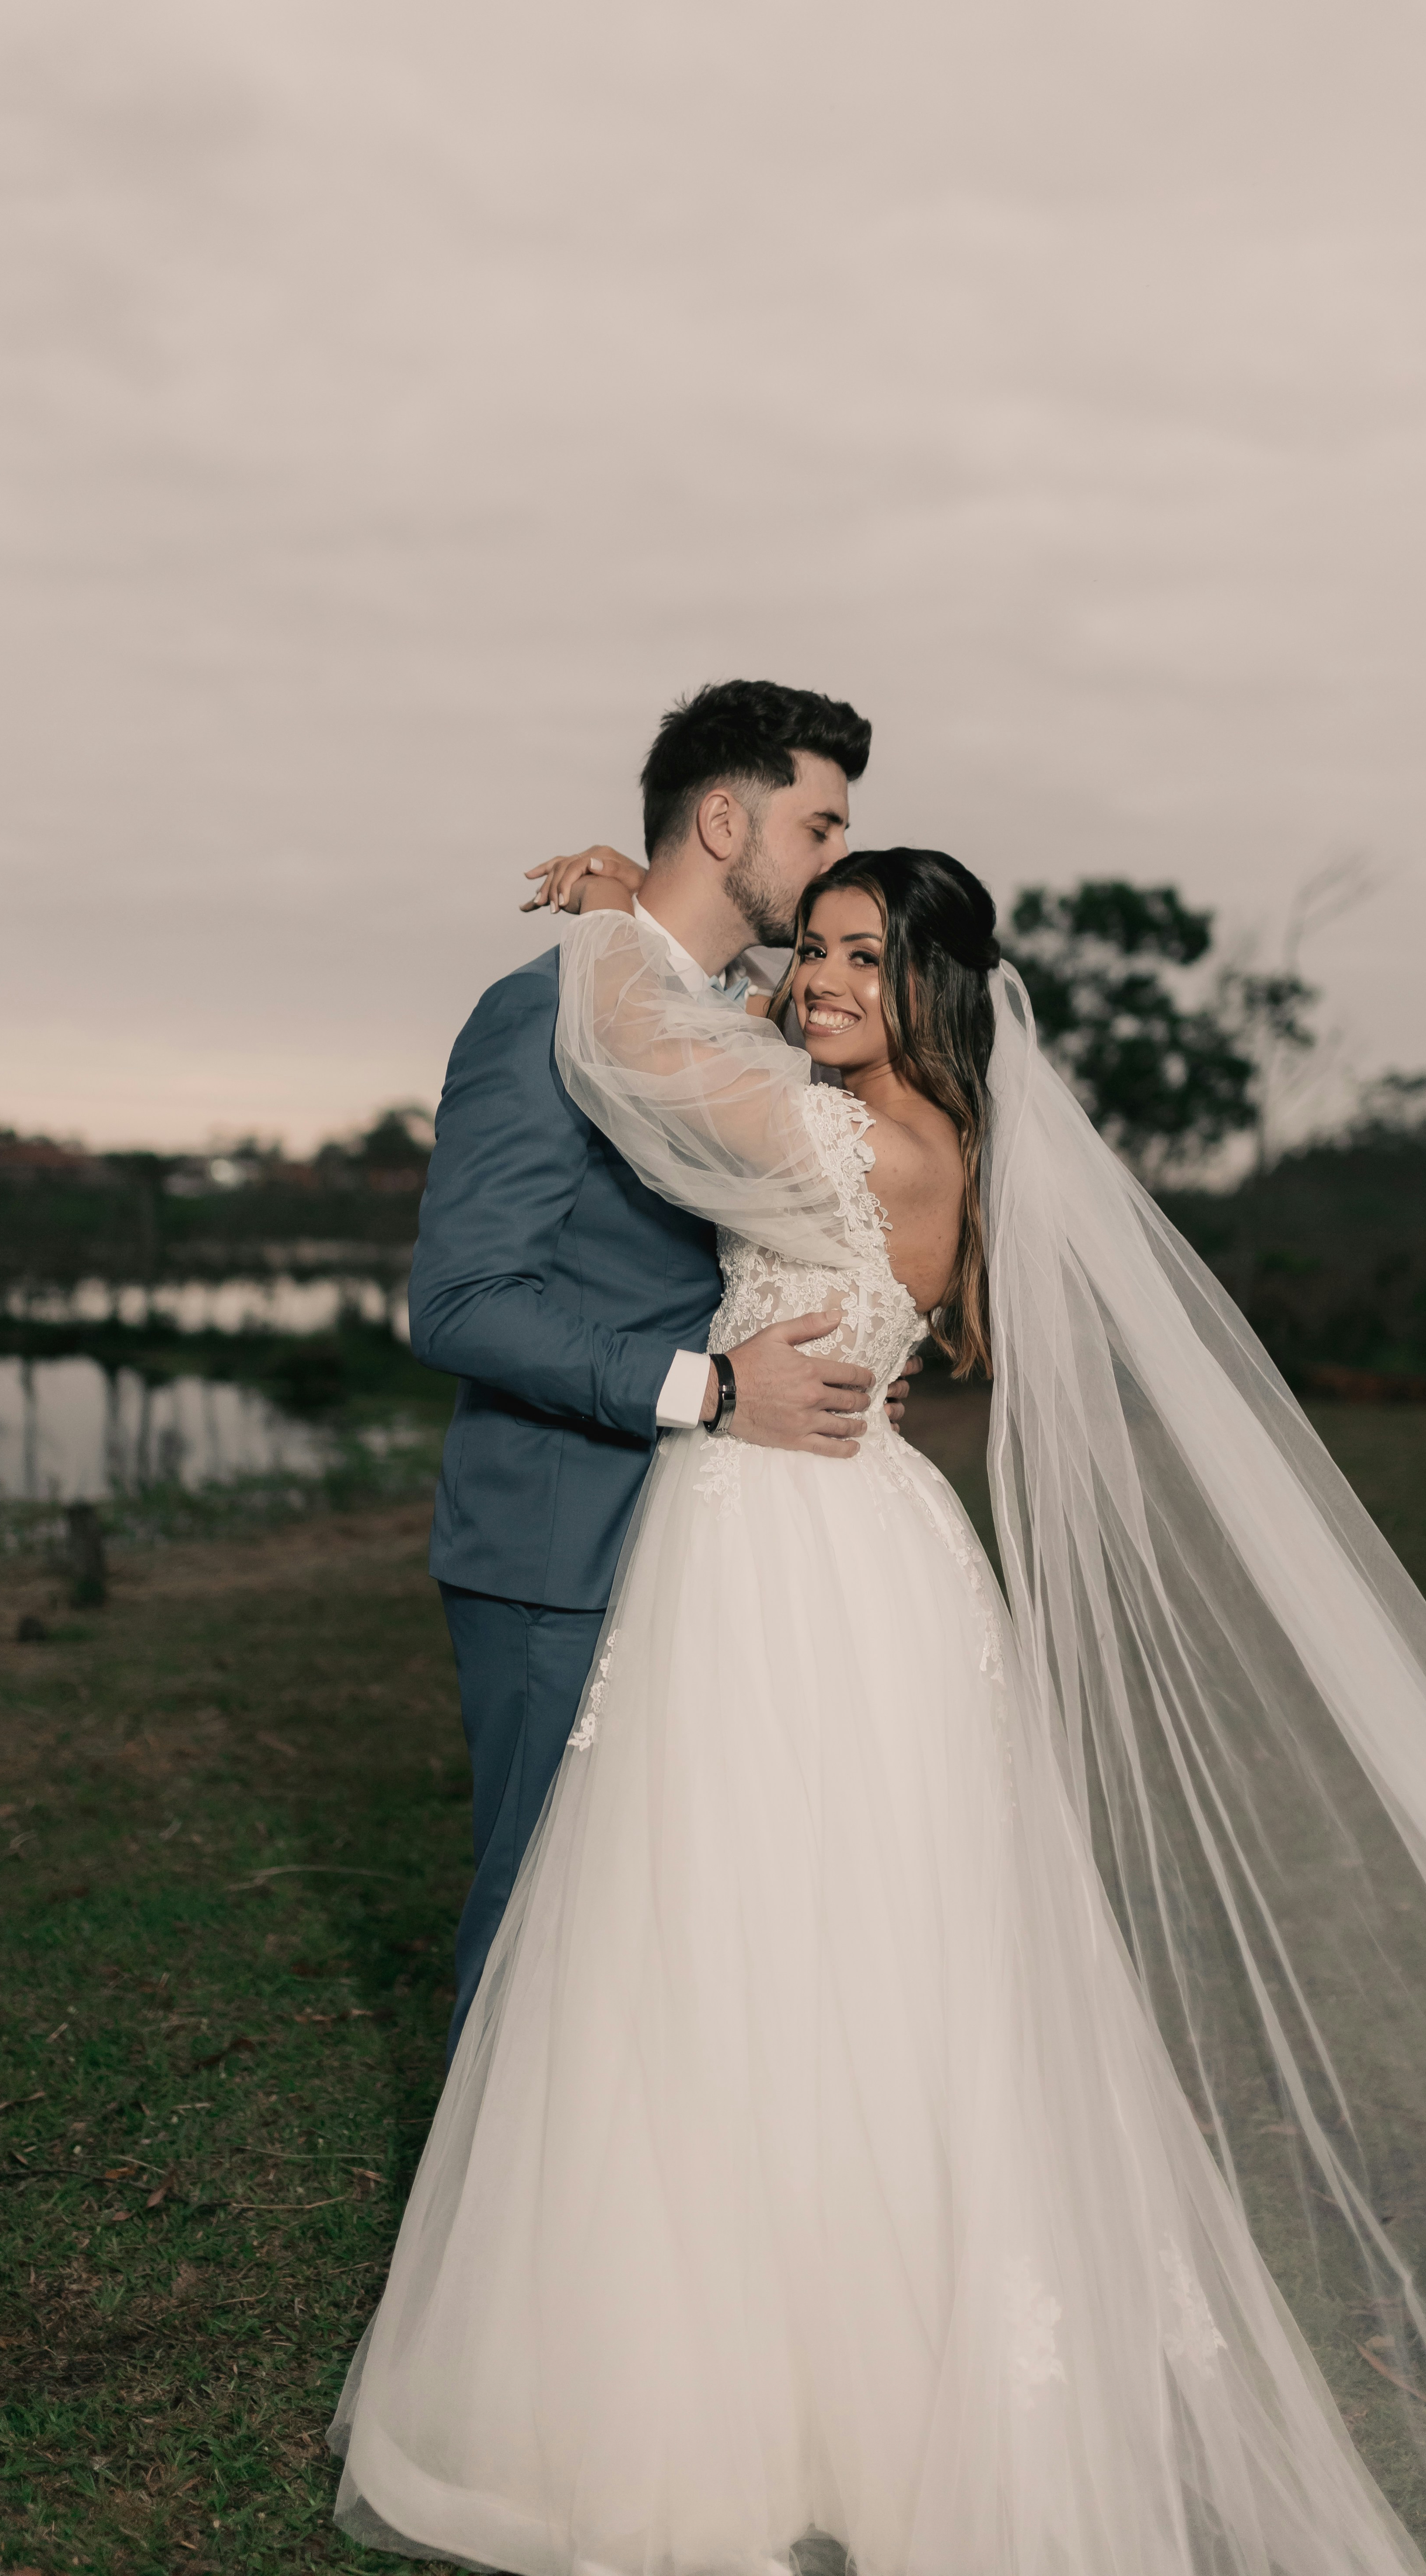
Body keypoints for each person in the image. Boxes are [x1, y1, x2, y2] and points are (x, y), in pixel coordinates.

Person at [340, 848, 1426, 2572]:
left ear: (934, 993)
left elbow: (628, 1054)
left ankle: (789, 2385)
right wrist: (743, 978)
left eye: (859, 961)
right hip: (814, 1534)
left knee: (777, 1937)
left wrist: (622, 908)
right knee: (786, 1943)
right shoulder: (917, 1133)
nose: (814, 980)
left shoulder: (862, 1145)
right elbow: (723, 1054)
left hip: (788, 1557)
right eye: (808, 947)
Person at [409, 679, 914, 2061]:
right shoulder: (541, 1016)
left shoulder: (735, 1025)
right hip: (558, 1541)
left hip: (714, 1551)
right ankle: (482, 2268)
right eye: (819, 828)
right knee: (538, 1921)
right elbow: (460, 1304)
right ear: (722, 816)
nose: (837, 861)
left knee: (657, 1926)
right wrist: (716, 1388)